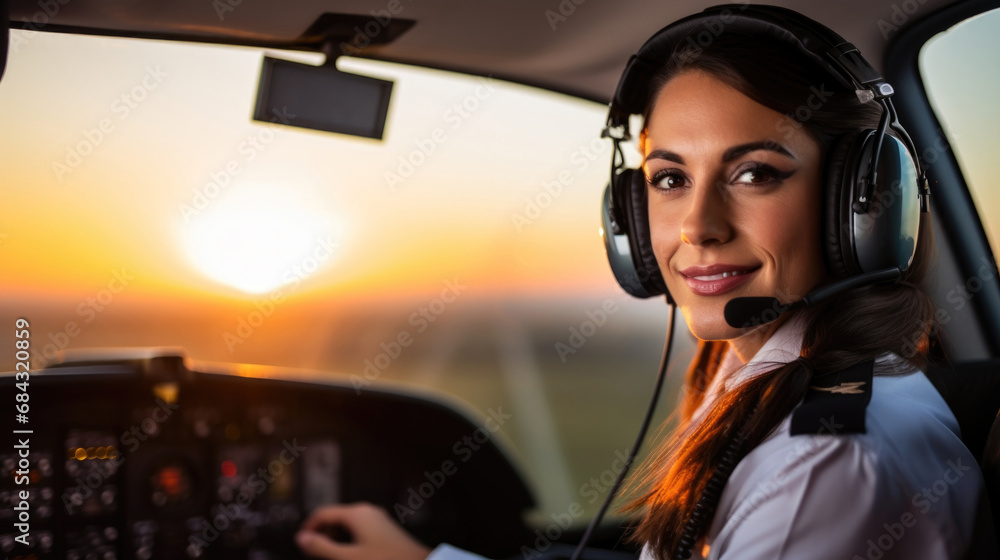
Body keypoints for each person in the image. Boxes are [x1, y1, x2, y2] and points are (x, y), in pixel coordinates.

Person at [295, 6, 993, 560]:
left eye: (755, 173)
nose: (697, 226)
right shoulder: (761, 373)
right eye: (669, 179)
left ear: (862, 205)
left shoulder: (825, 462)